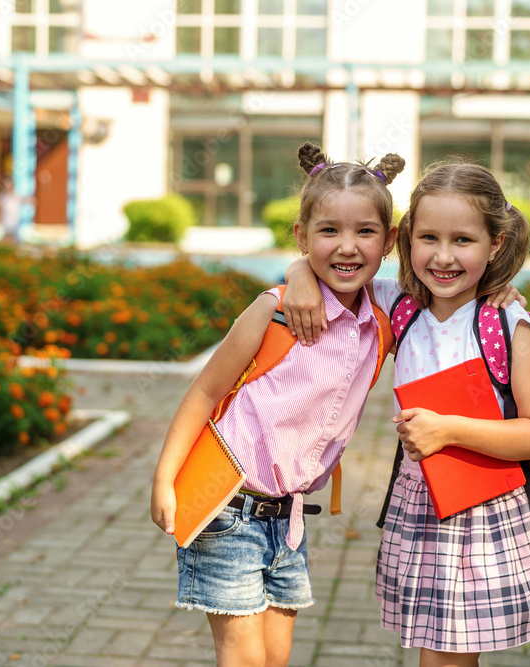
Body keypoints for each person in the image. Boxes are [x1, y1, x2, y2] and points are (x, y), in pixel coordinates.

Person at [282, 159, 530, 667]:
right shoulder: (399, 305)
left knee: (446, 657)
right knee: (441, 653)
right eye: (429, 238)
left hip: (482, 509)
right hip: (421, 500)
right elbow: (326, 267)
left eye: (463, 241)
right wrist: (296, 273)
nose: (443, 257)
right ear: (405, 242)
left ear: (495, 243)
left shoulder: (510, 326)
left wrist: (448, 430)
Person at [150, 142, 407, 667]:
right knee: (242, 659)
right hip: (228, 506)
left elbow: (450, 283)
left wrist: (504, 293)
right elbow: (204, 392)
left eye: (365, 231)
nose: (347, 247)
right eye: (329, 231)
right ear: (303, 235)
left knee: (275, 659)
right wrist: (163, 478)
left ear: (389, 240)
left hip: (288, 518)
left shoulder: (385, 309)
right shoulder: (274, 313)